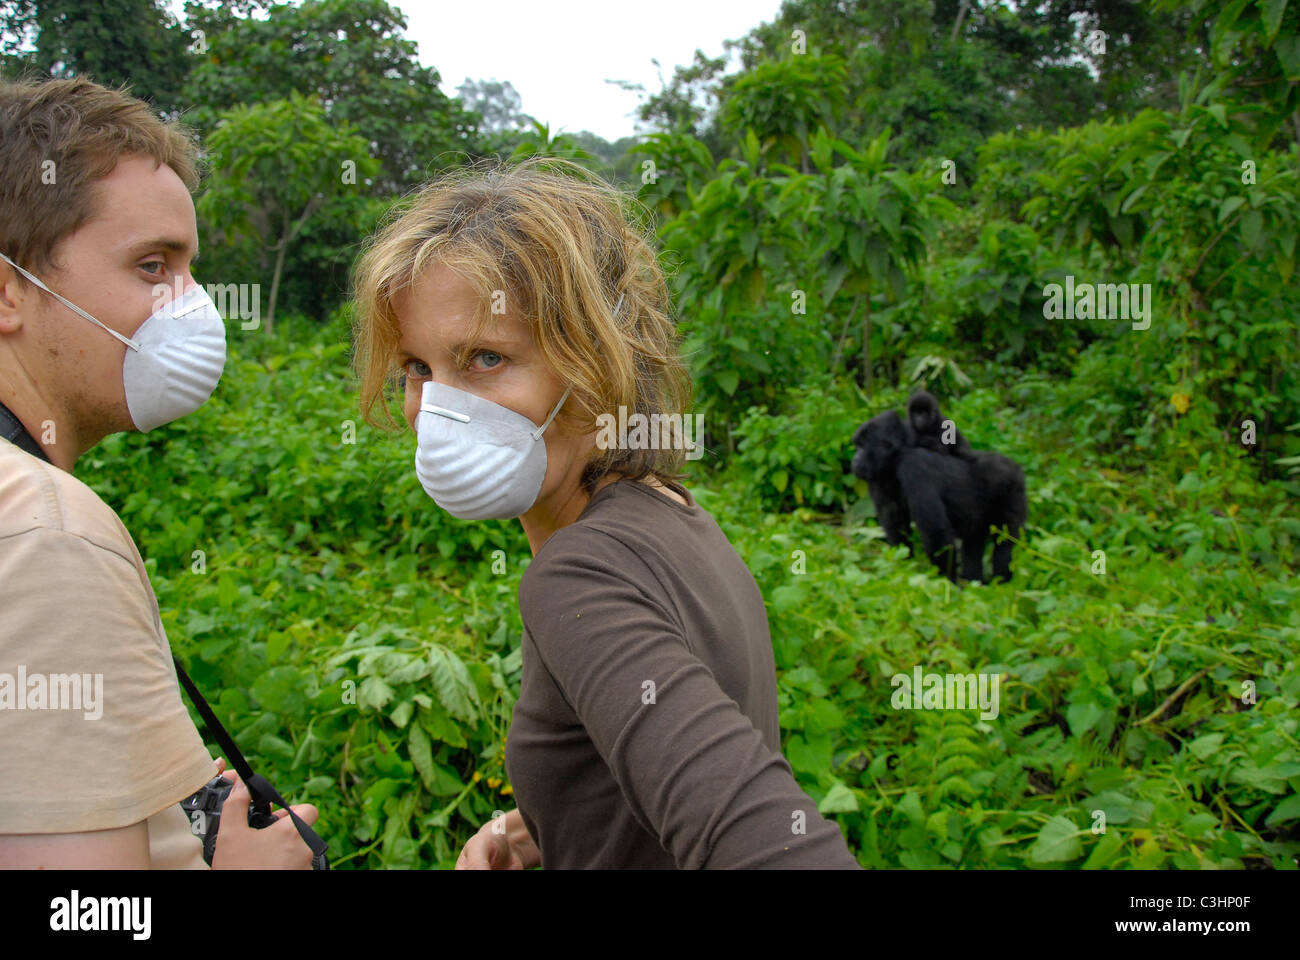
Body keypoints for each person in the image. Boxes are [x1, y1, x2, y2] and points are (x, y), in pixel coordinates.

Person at [351, 157, 862, 869]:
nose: (436, 410)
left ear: (599, 365)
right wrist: (537, 828)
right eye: (418, 368)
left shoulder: (577, 576)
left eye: (486, 359)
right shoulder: (675, 517)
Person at [0, 76, 318, 869]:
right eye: (152, 267)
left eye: (190, 269)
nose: (191, 307)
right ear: (8, 291)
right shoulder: (46, 534)